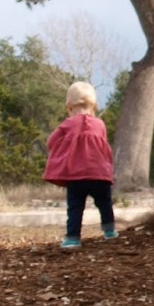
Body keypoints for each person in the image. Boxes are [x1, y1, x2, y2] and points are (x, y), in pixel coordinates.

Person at [44, 80, 116, 250]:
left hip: (76, 176)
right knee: (105, 203)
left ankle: (73, 238)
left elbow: (51, 142)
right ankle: (109, 231)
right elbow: (104, 146)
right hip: (99, 175)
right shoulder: (100, 125)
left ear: (69, 107)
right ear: (95, 106)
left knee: (75, 207)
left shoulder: (67, 124)